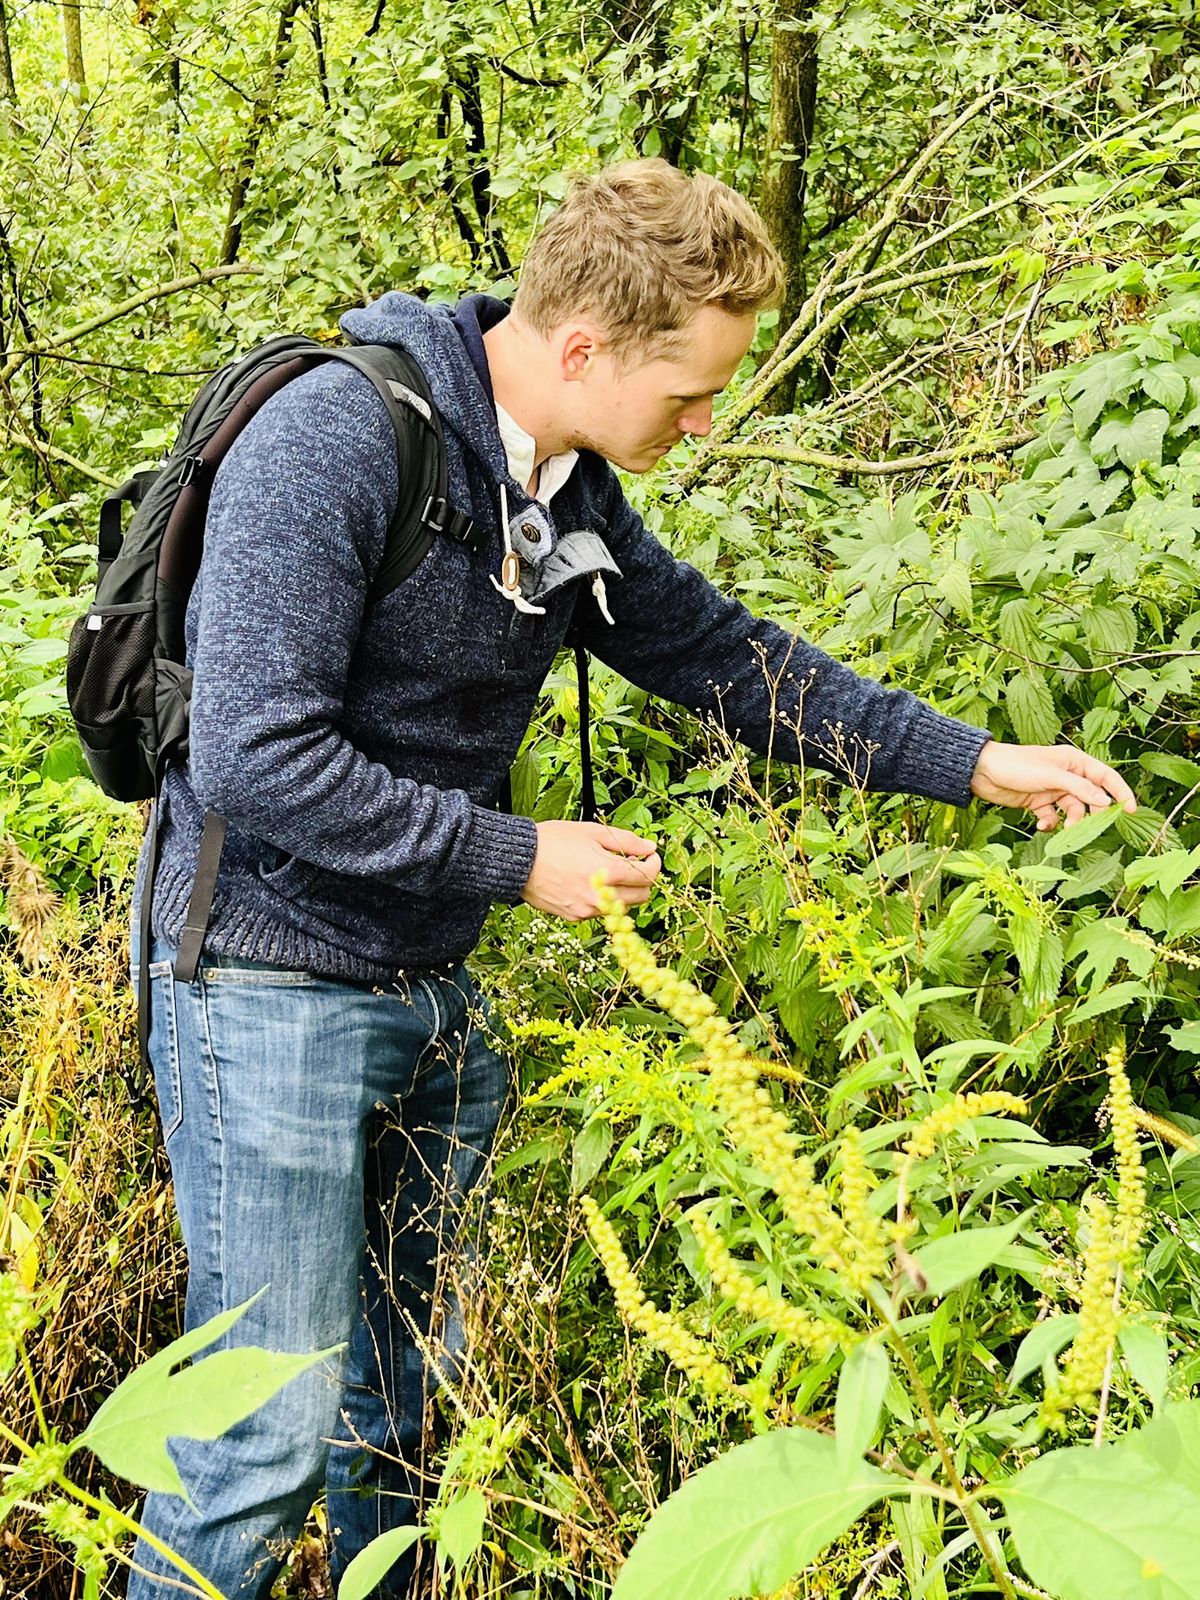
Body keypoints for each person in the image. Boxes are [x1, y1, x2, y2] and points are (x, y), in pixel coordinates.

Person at [125, 157, 1136, 1599]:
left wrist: (977, 761)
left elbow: (727, 659)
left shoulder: (563, 485)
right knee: (254, 1448)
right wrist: (514, 853)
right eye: (692, 392)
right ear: (584, 346)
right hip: (265, 989)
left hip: (425, 991)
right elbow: (249, 756)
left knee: (400, 1426)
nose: (707, 421)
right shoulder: (337, 442)